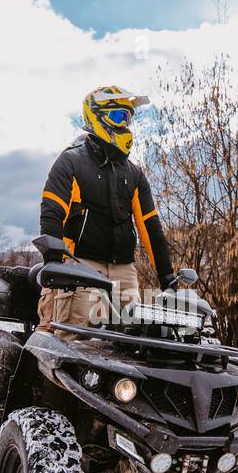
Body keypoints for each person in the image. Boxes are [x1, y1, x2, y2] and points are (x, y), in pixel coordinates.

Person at [36, 86, 175, 339]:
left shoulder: (134, 174)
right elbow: (52, 211)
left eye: (128, 118)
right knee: (73, 342)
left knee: (130, 345)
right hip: (80, 266)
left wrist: (167, 277)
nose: (126, 125)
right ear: (97, 116)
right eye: (119, 117)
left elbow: (150, 227)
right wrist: (55, 262)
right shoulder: (70, 162)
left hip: (124, 271)